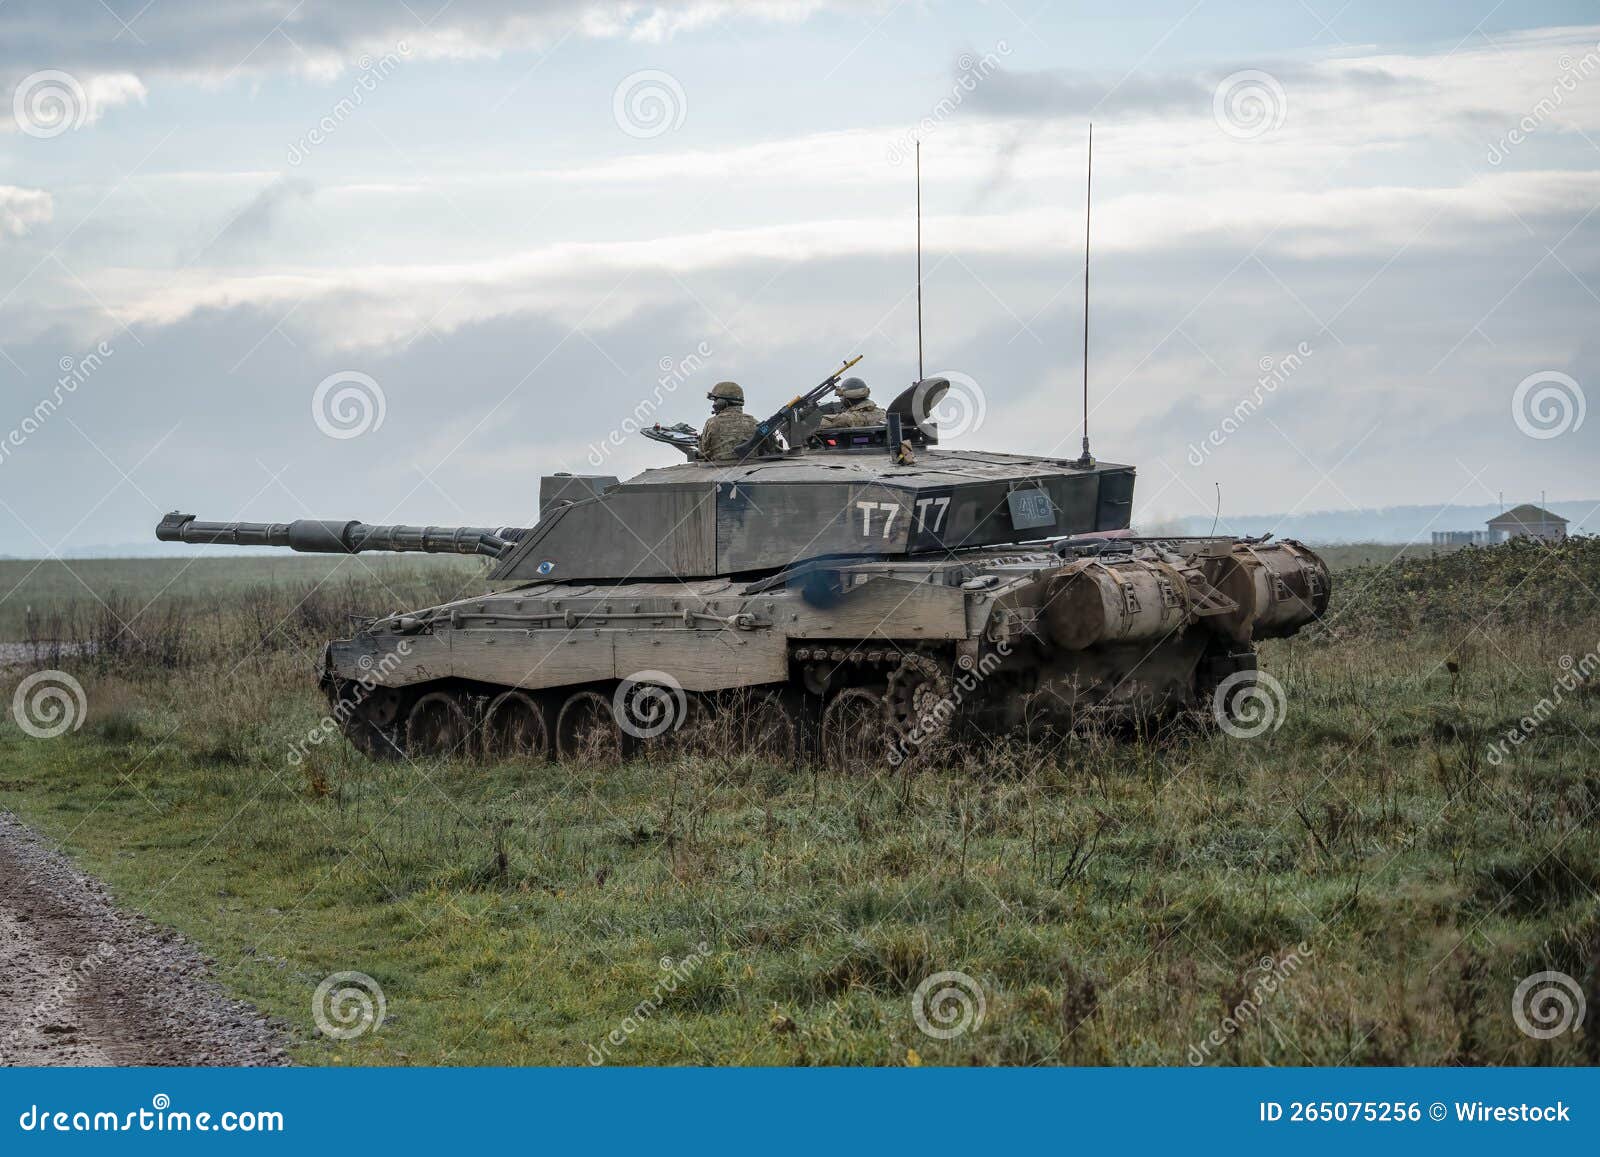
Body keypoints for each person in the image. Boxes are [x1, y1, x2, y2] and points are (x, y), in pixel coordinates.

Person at [698, 380, 760, 461]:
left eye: (715, 400)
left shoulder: (712, 423)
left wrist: (699, 441)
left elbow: (703, 452)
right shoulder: (755, 422)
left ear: (720, 403)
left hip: (720, 467)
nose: (713, 405)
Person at [818, 378, 886, 430]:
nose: (841, 400)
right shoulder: (883, 413)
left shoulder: (850, 418)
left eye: (842, 397)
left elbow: (818, 423)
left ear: (848, 399)